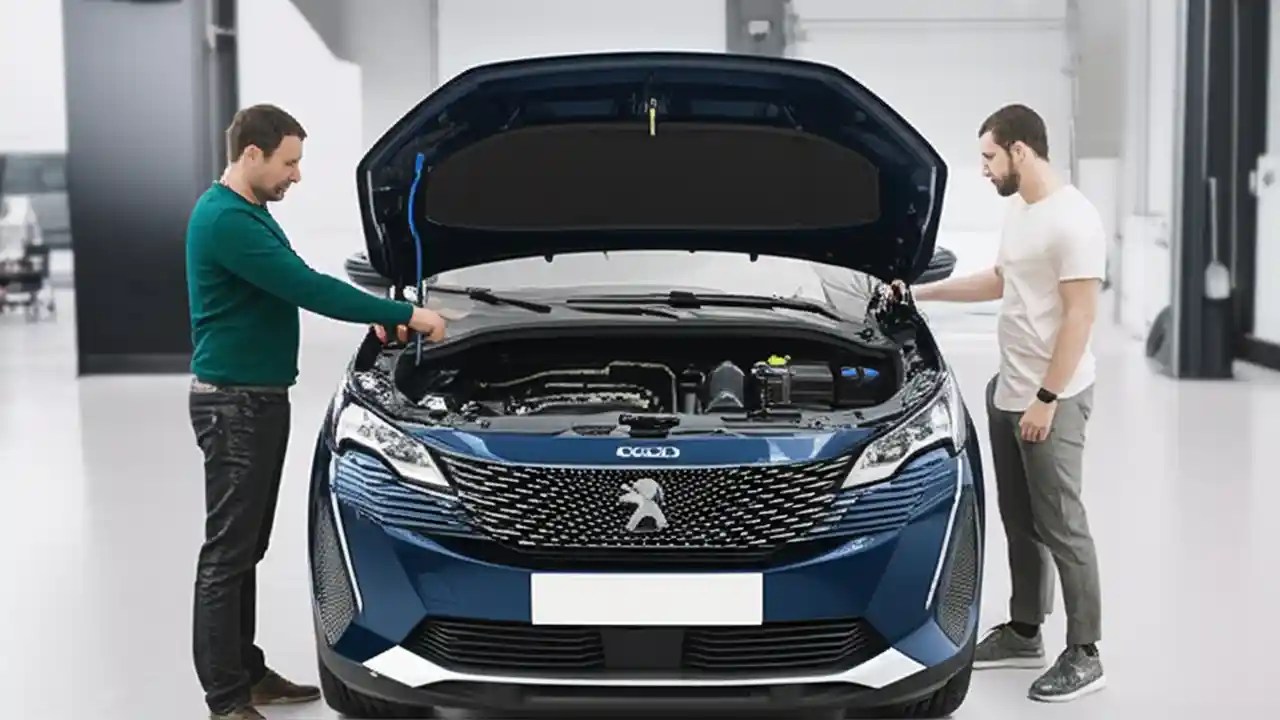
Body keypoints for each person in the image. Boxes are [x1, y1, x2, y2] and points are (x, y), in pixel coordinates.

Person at [185, 104, 447, 720]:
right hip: (235, 406)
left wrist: (383, 318)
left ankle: (248, 673)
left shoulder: (247, 213)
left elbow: (292, 283)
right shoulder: (225, 220)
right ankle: (225, 698)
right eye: (290, 162)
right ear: (252, 153)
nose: (296, 175)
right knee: (227, 553)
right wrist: (403, 314)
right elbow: (305, 286)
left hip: (255, 399)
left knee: (247, 546)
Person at [909, 104, 1107, 703]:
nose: (984, 169)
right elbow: (1002, 279)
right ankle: (1025, 631)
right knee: (1019, 521)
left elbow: (1080, 318)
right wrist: (922, 293)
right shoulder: (1022, 210)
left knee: (1062, 525)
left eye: (989, 157)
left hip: (1052, 396)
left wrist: (1047, 399)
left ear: (1020, 150)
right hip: (1010, 389)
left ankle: (1086, 652)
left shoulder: (1074, 221)